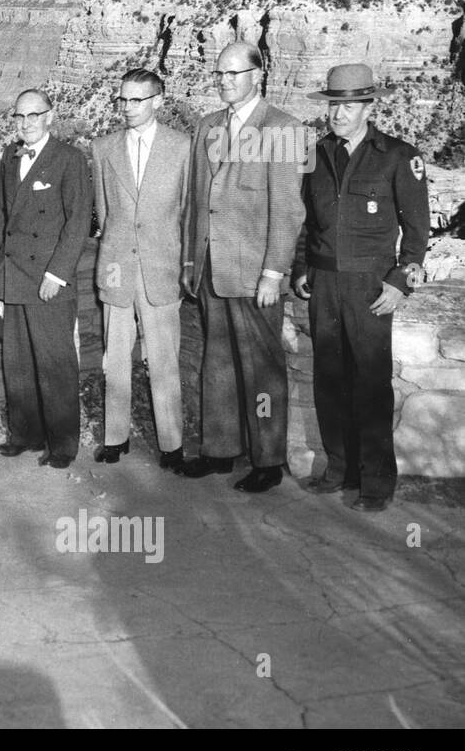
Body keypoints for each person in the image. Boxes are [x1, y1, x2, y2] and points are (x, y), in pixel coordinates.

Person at [292, 63, 430, 513]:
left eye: (349, 106)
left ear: (368, 107)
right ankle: (338, 469)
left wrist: (400, 283)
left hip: (372, 284)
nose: (338, 114)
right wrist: (300, 269)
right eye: (334, 104)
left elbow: (417, 231)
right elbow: (306, 221)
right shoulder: (317, 153)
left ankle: (375, 483)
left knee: (371, 383)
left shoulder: (397, 155)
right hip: (325, 280)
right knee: (328, 378)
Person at [180, 41, 306, 494]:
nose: (224, 81)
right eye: (219, 74)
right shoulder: (207, 127)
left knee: (261, 369)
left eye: (234, 73)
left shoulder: (283, 128)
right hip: (212, 269)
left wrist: (274, 271)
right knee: (217, 365)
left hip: (255, 275)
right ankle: (219, 451)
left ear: (259, 74)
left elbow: (288, 210)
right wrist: (191, 262)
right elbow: (196, 202)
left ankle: (268, 460)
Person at [91, 69, 190, 468]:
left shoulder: (183, 147)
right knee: (115, 358)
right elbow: (104, 210)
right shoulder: (102, 147)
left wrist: (182, 264)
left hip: (161, 269)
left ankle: (172, 446)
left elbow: (187, 211)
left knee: (164, 361)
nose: (127, 108)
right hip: (116, 268)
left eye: (137, 100)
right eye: (123, 100)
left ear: (158, 101)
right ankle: (115, 438)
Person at [0, 89, 92, 468]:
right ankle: (25, 435)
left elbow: (79, 221)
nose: (27, 123)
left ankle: (63, 445)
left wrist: (58, 273)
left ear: (50, 116)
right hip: (14, 275)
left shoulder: (69, 159)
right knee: (17, 362)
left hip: (48, 279)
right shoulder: (8, 156)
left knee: (55, 364)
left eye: (35, 115)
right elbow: (1, 214)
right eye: (20, 116)